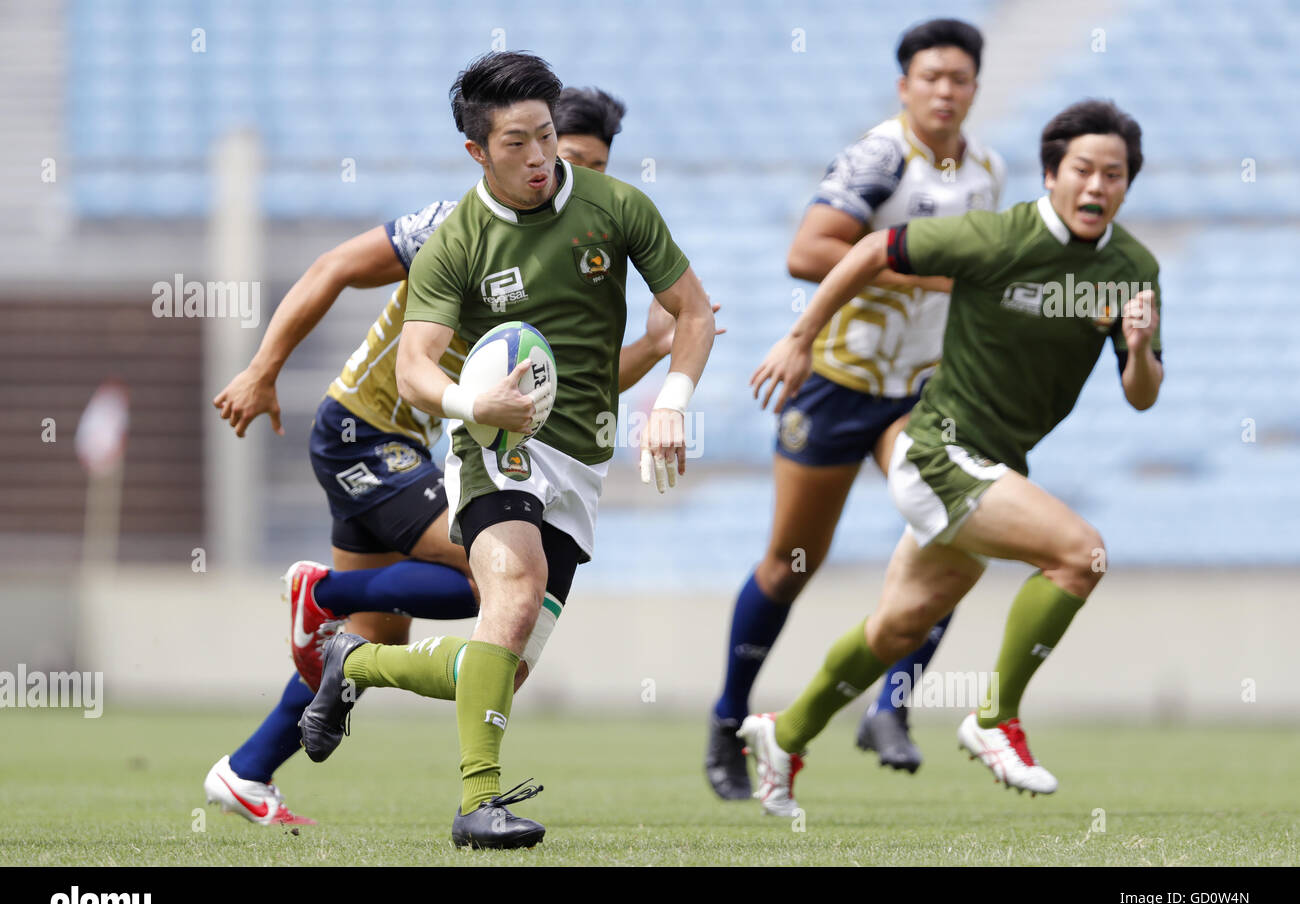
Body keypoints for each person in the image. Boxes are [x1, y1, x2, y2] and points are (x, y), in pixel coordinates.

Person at [203, 86, 713, 826]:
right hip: (365, 429)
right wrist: (262, 367)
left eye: (581, 161)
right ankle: (324, 596)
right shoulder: (453, 228)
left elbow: (553, 388)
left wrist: (656, 355)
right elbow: (333, 268)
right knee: (500, 586)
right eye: (548, 149)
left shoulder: (585, 230)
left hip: (428, 440)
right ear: (497, 150)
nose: (554, 168)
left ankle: (248, 770)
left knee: (386, 637)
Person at [741, 98, 1161, 815]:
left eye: (1114, 175)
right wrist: (803, 336)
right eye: (1083, 170)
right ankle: (996, 717)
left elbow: (1142, 395)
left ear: (1128, 184)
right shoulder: (995, 239)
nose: (1097, 187)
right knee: (1079, 555)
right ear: (1053, 173)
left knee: (897, 629)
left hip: (994, 465)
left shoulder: (1132, 266)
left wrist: (1142, 346)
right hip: (936, 450)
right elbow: (874, 249)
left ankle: (785, 734)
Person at [706, 18, 1004, 798]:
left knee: (952, 529)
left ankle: (891, 707)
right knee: (793, 562)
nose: (945, 90)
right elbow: (807, 251)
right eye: (930, 77)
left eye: (959, 78)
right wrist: (931, 279)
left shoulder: (988, 175)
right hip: (839, 383)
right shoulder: (881, 155)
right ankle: (729, 720)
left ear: (975, 88)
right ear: (904, 86)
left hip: (923, 391)